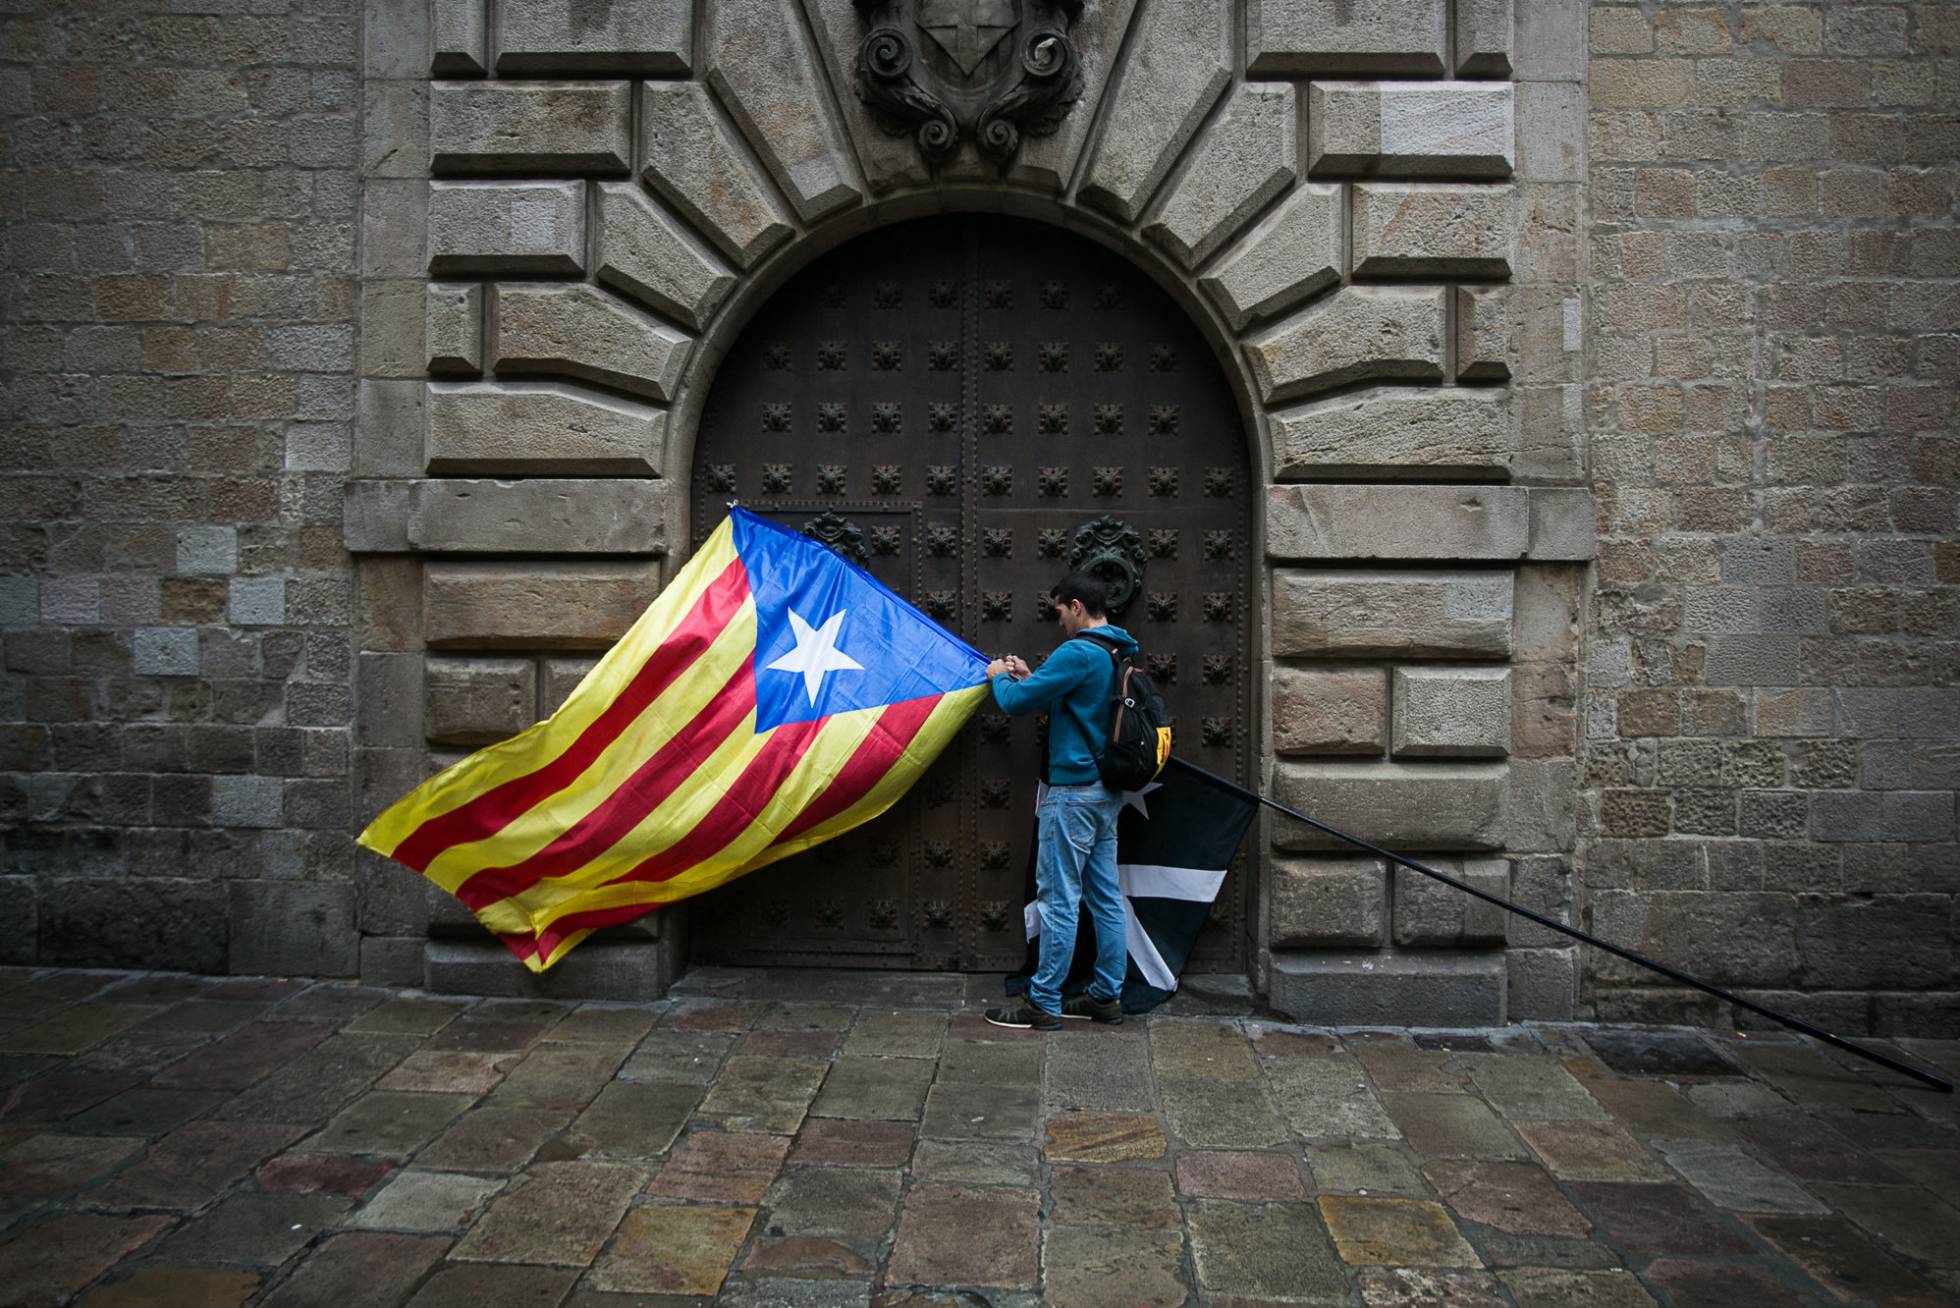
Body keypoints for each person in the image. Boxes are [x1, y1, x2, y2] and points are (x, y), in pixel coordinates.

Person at [982, 572, 1135, 1031]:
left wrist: (998, 680)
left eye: (1060, 612)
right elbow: (1075, 701)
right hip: (1104, 792)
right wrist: (1033, 675)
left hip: (1071, 794)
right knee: (1105, 896)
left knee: (1059, 899)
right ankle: (1107, 996)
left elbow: (1015, 703)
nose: (1059, 621)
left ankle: (1044, 1000)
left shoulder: (1078, 651)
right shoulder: (1117, 649)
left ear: (1077, 607)